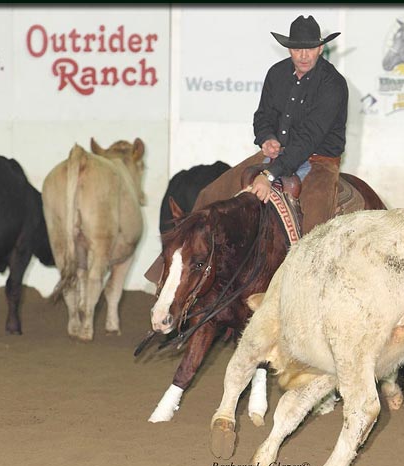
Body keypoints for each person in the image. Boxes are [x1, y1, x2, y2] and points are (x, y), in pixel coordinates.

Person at [146, 15, 347, 285]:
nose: (303, 55)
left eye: (309, 48)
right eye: (297, 48)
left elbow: (309, 138)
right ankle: (171, 277)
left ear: (320, 48)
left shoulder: (332, 83)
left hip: (320, 160)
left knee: (314, 229)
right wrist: (266, 137)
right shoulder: (277, 74)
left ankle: (310, 291)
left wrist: (270, 175)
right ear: (288, 48)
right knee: (209, 194)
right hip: (276, 153)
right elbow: (262, 116)